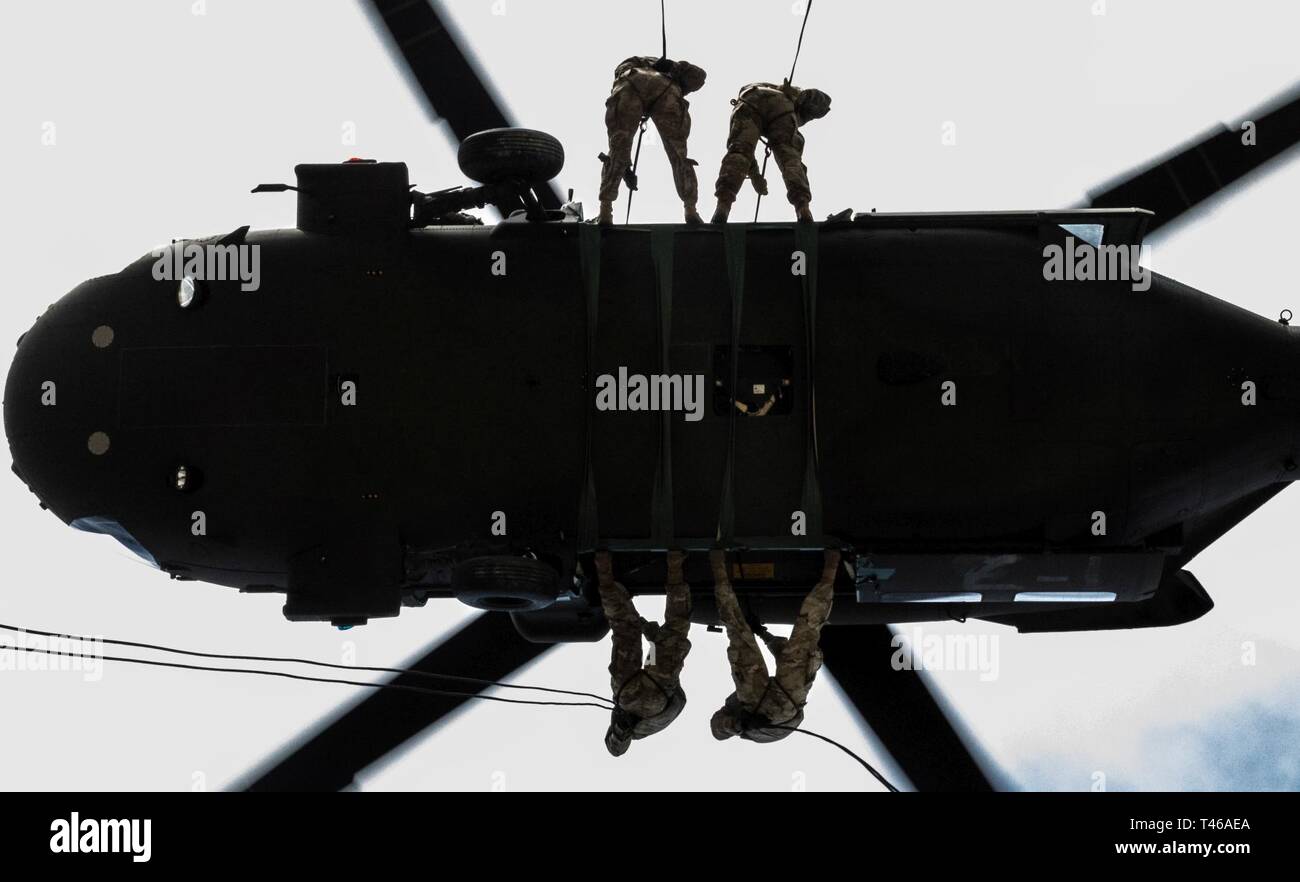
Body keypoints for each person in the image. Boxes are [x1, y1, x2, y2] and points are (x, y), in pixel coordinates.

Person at [709, 547, 839, 743]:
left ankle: (717, 564)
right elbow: (784, 651)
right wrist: (742, 726)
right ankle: (831, 566)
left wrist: (740, 725)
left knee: (804, 632)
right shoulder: (758, 729)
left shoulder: (739, 710)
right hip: (780, 709)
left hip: (783, 707)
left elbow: (718, 729)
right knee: (740, 633)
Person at [595, 549, 692, 756]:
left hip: (657, 694)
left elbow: (678, 701)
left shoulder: (652, 727)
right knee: (624, 628)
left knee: (676, 627)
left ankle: (675, 563)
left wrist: (658, 646)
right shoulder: (628, 723)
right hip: (625, 693)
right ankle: (603, 565)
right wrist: (653, 641)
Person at [598, 56, 708, 226]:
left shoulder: (629, 63)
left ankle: (605, 211)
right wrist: (673, 67)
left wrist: (625, 169)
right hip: (666, 87)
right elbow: (700, 76)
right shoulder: (671, 70)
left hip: (630, 81)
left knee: (618, 146)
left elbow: (621, 146)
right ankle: (690, 210)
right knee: (678, 153)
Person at [711, 81, 832, 224]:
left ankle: (723, 206)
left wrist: (755, 176)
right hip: (783, 109)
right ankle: (802, 208)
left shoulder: (769, 87)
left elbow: (744, 150)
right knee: (790, 160)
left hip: (749, 100)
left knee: (739, 152)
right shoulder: (794, 96)